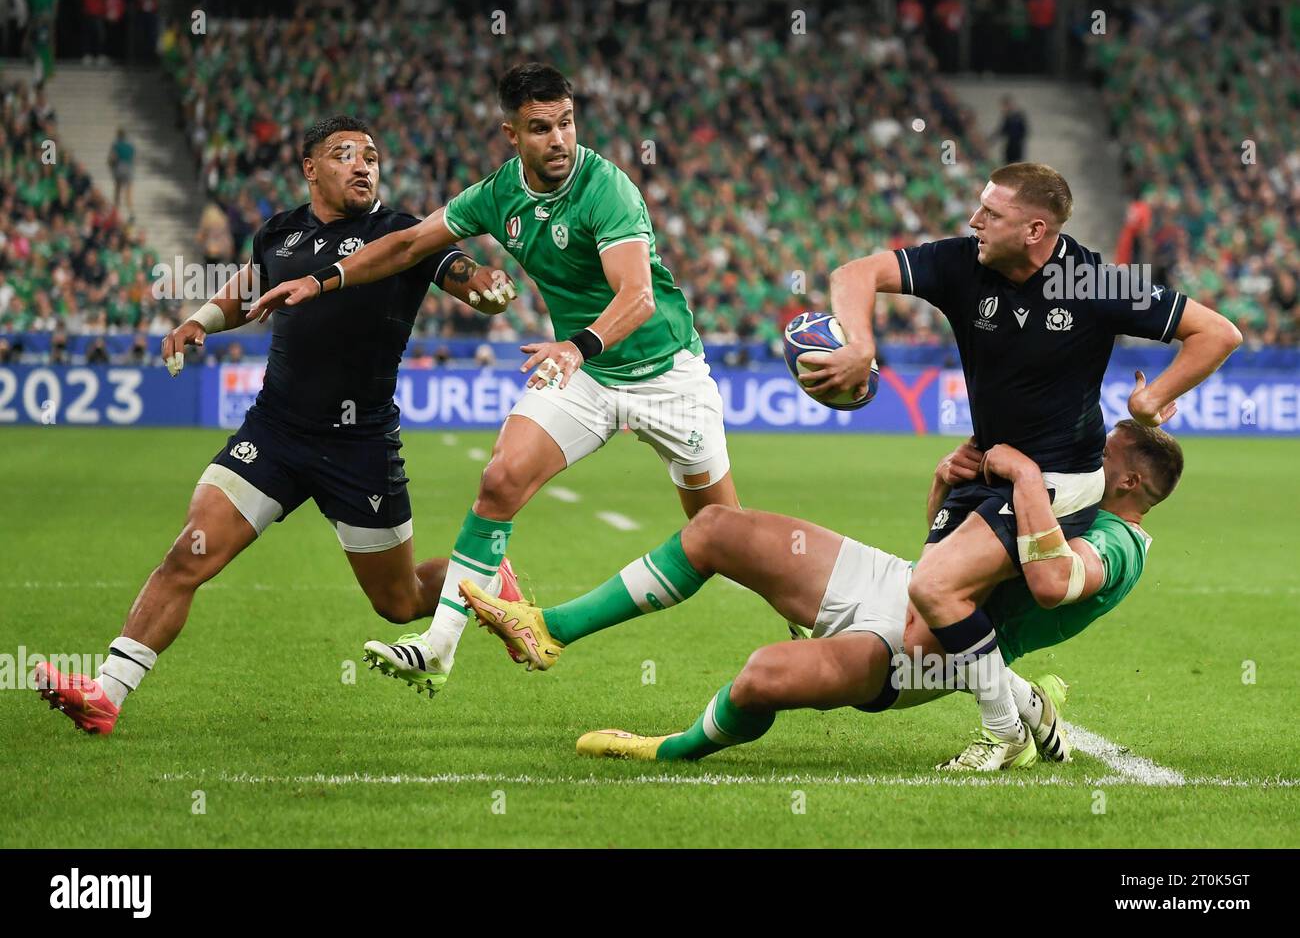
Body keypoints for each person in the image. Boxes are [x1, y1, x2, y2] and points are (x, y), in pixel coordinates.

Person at [249, 63, 739, 699]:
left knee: (724, 537)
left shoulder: (607, 188)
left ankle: (803, 609)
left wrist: (577, 345)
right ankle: (438, 648)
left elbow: (639, 297)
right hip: (583, 374)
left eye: (565, 123)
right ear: (512, 133)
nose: (558, 139)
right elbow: (406, 246)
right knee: (500, 480)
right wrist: (321, 279)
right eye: (540, 129)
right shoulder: (498, 193)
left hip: (664, 376)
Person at [34, 115, 520, 736]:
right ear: (310, 168)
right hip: (276, 433)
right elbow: (248, 288)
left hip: (360, 445)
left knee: (398, 603)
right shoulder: (280, 233)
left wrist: (490, 288)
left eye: (371, 155)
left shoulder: (400, 233)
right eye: (345, 155)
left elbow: (468, 277)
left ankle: (482, 579)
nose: (363, 165)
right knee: (189, 553)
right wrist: (200, 322)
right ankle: (107, 694)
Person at [797, 162, 1240, 767]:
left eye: (991, 214)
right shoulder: (961, 263)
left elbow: (1218, 332)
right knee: (922, 628)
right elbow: (854, 273)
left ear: (1036, 230)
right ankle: (1030, 706)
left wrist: (1150, 400)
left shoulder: (1097, 283)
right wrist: (860, 346)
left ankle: (1003, 731)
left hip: (1060, 477)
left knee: (934, 589)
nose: (974, 221)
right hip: (989, 466)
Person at [462, 422, 1181, 769]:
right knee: (717, 529)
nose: (1085, 454)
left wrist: (1025, 479)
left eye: (1103, 453)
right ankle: (547, 627)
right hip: (894, 581)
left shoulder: (1114, 544)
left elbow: (1057, 584)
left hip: (912, 656)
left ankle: (672, 751)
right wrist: (947, 482)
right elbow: (944, 553)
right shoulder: (1080, 494)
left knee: (761, 677)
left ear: (1129, 484)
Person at [994, 95, 1028, 164]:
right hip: (1011, 146)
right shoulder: (1008, 117)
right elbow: (1001, 131)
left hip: (1015, 147)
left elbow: (1023, 131)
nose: (1003, 108)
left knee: (1015, 165)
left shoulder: (1017, 117)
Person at [108, 127, 134, 215]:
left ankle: (116, 210)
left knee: (118, 189)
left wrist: (111, 166)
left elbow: (113, 157)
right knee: (128, 191)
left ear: (118, 135)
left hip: (119, 167)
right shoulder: (130, 146)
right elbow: (133, 158)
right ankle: (131, 212)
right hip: (129, 168)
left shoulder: (116, 145)